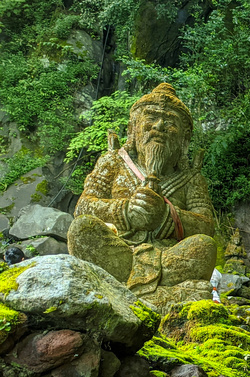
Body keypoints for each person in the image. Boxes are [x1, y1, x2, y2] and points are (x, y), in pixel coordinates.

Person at [67, 83, 216, 308]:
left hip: (168, 256)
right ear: (132, 129)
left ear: (184, 140)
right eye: (151, 118)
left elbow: (206, 226)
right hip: (119, 250)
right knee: (81, 231)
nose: (159, 127)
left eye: (170, 122)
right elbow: (83, 207)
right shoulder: (113, 162)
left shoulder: (191, 178)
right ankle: (150, 287)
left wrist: (166, 216)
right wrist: (125, 211)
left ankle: (125, 284)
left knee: (204, 246)